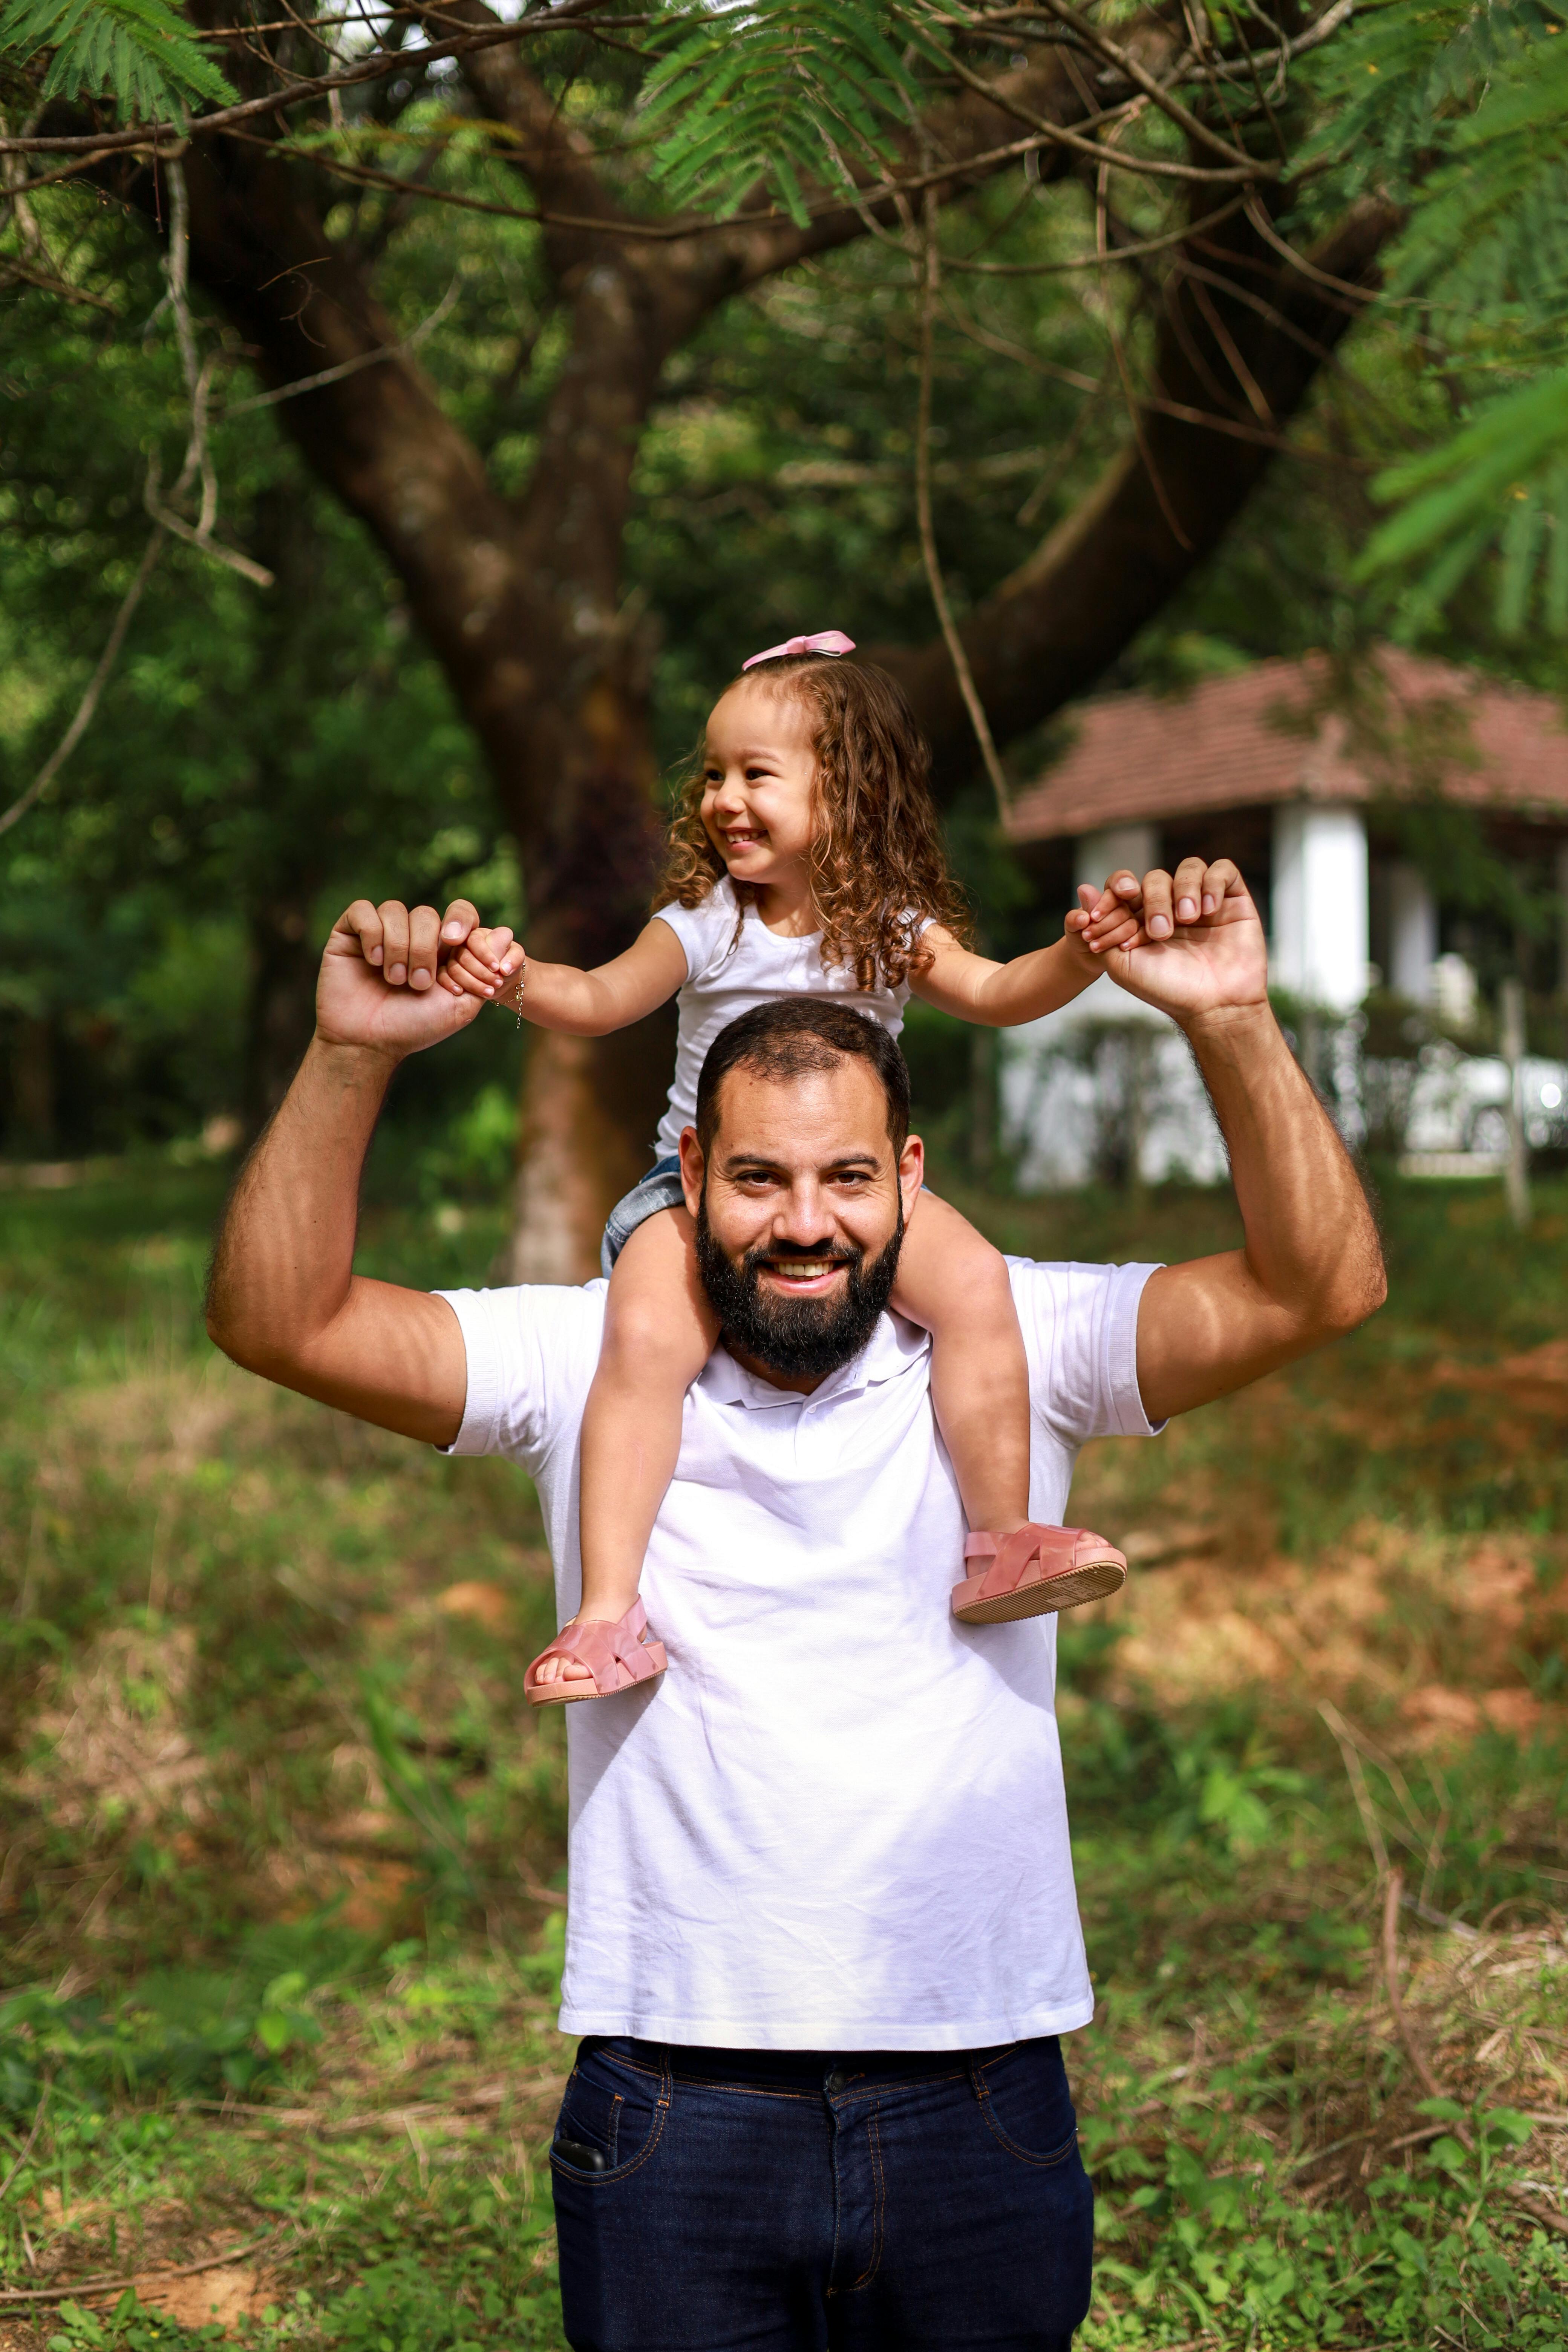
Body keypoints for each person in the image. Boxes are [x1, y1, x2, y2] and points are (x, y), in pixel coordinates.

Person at [205, 852, 1385, 2351]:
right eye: (757, 1179)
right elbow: (275, 1318)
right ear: (687, 1176)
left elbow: (1319, 1287)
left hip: (979, 2086)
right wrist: (349, 1054)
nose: (803, 1224)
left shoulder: (1014, 1344)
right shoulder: (592, 1358)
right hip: (672, 2103)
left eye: (844, 1178)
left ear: (908, 1180)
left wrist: (1226, 1020)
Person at [430, 637, 1144, 1700]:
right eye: (713, 775)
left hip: (862, 1196)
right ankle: (606, 1616)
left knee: (978, 1287)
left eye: (755, 774)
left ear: (843, 790)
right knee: (643, 1339)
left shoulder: (885, 930)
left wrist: (1081, 957)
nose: (724, 799)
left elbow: (996, 993)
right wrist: (517, 976)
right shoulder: (708, 926)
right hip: (701, 1201)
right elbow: (601, 1000)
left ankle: (1003, 1541)